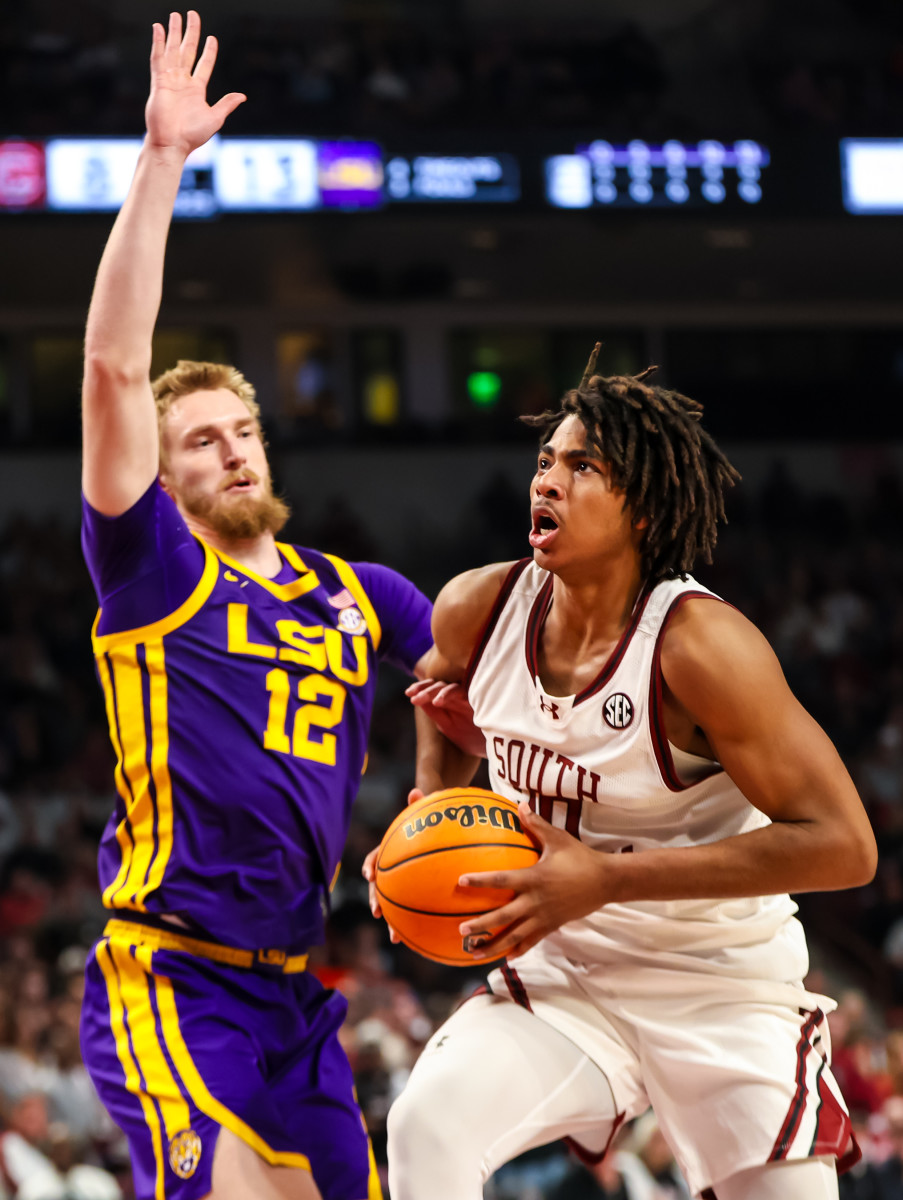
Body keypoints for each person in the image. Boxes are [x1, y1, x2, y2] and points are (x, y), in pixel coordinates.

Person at [375, 350, 878, 1200]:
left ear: (641, 509)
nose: (547, 482)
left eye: (582, 467)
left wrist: (603, 880)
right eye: (544, 461)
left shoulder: (700, 649)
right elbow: (440, 704)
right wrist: (428, 818)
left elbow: (845, 847)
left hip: (721, 986)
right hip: (567, 978)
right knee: (425, 1123)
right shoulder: (479, 606)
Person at [78, 13, 437, 1200]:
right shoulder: (156, 574)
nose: (230, 452)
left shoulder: (358, 594)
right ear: (160, 477)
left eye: (242, 429)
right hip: (172, 975)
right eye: (199, 442)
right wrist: (163, 163)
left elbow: (487, 675)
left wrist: (442, 778)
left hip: (297, 987)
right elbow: (114, 370)